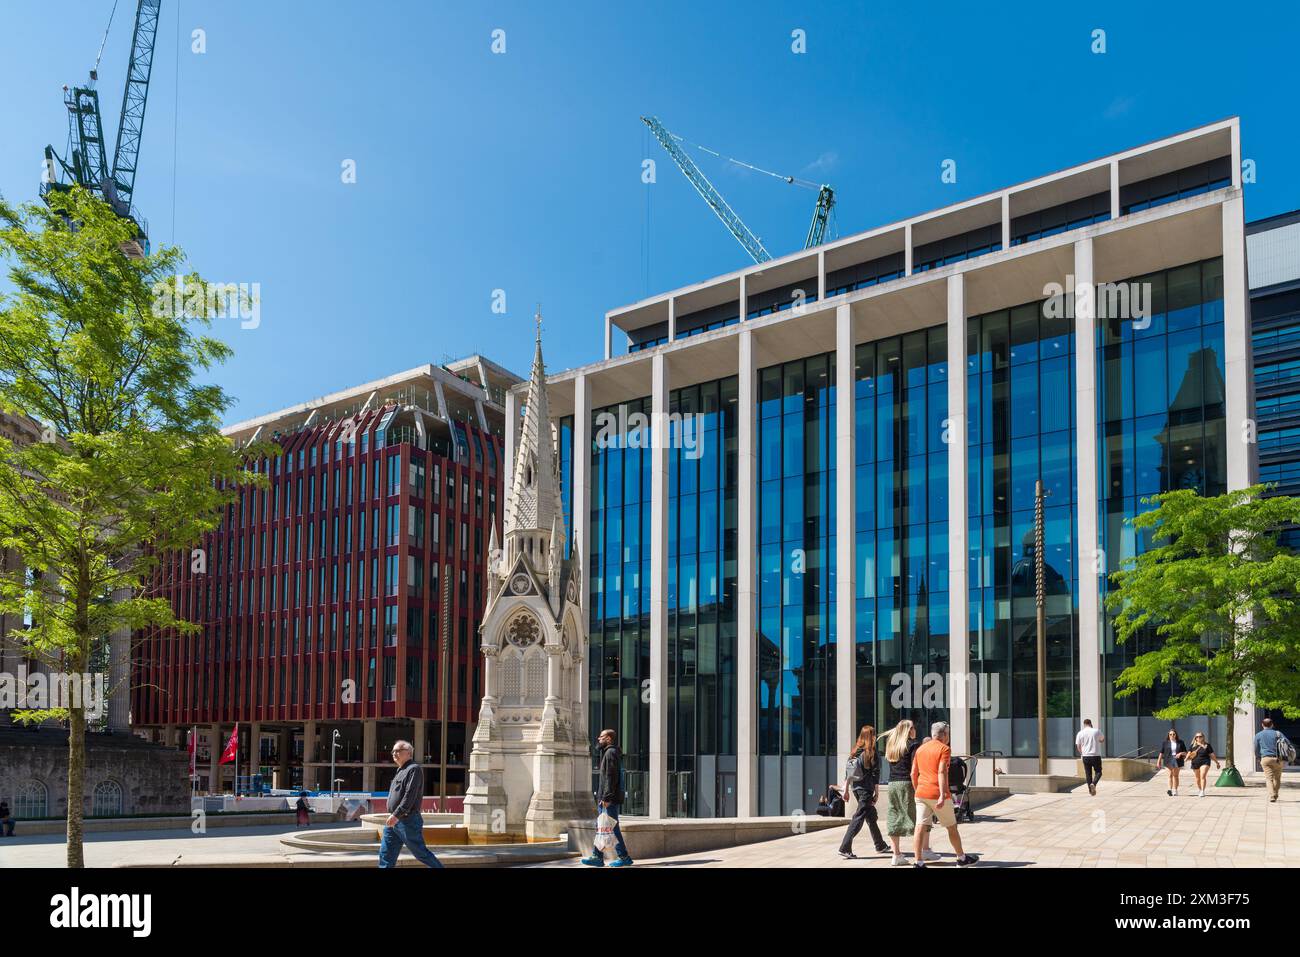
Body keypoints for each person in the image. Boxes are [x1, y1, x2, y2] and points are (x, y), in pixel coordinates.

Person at [910, 721, 978, 868]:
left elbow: (913, 773)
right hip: (938, 794)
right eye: (948, 734)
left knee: (919, 826)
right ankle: (961, 858)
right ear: (945, 735)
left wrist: (917, 789)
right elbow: (942, 771)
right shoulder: (944, 749)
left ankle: (918, 862)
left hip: (921, 793)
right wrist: (942, 794)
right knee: (951, 827)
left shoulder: (920, 749)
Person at [378, 739, 443, 869]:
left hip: (407, 820)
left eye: (398, 751)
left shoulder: (414, 769)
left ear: (408, 753)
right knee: (386, 854)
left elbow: (410, 795)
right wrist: (394, 815)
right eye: (393, 751)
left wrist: (396, 815)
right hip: (395, 820)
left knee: (421, 853)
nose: (394, 754)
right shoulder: (400, 770)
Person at [882, 719, 937, 866]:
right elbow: (915, 768)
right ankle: (924, 850)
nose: (915, 729)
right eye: (912, 727)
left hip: (893, 784)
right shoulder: (913, 745)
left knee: (894, 816)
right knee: (922, 815)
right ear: (907, 730)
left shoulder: (892, 745)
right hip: (908, 783)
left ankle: (896, 855)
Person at [581, 728, 633, 868]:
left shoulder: (610, 753)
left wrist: (606, 797)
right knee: (602, 826)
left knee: (611, 827)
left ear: (609, 738)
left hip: (608, 799)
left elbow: (611, 777)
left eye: (601, 737)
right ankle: (597, 856)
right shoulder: (610, 752)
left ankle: (624, 857)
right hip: (607, 798)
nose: (598, 739)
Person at [838, 725, 889, 860]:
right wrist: (876, 793)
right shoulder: (870, 752)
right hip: (866, 789)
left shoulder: (855, 751)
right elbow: (875, 775)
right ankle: (845, 847)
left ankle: (880, 845)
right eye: (873, 734)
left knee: (870, 816)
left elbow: (848, 772)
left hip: (856, 787)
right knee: (859, 817)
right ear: (870, 736)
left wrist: (846, 789)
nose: (875, 737)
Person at [1255, 717, 1295, 803]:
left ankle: (1272, 795)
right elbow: (1287, 743)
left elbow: (1255, 748)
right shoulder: (1278, 733)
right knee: (1277, 778)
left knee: (1269, 778)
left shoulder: (1258, 735)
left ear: (1262, 725)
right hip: (1278, 758)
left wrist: (1258, 757)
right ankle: (1275, 794)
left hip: (1265, 758)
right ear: (1272, 725)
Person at [1075, 718, 1106, 796]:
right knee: (1098, 772)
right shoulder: (1096, 731)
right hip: (1095, 755)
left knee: (1088, 774)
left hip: (1085, 756)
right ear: (1091, 724)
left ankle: (1090, 791)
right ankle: (1094, 784)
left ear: (1084, 724)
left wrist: (1082, 753)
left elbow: (1078, 746)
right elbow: (1102, 740)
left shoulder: (1080, 733)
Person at [1187, 732, 1219, 798]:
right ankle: (1200, 789)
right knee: (1197, 778)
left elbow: (1212, 755)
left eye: (1200, 736)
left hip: (1205, 762)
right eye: (1197, 737)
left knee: (1203, 776)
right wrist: (1185, 759)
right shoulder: (1192, 746)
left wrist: (1217, 762)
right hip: (1195, 762)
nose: (1199, 738)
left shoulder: (1207, 745)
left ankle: (1202, 791)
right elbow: (1189, 754)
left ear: (1203, 737)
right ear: (1195, 738)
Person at [1157, 728, 1188, 796]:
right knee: (1170, 775)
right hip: (1168, 760)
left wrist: (1180, 753)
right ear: (1168, 735)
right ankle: (1170, 789)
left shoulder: (1180, 742)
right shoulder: (1165, 743)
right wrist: (1158, 761)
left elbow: (1186, 752)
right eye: (1170, 734)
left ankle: (1175, 790)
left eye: (1173, 734)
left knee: (1175, 776)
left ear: (1176, 735)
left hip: (1177, 760)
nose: (1172, 735)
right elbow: (1161, 752)